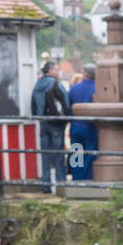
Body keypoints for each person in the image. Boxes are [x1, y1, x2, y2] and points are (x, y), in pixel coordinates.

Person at [31, 60, 69, 192]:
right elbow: (66, 102)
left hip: (43, 123)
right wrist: (67, 118)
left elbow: (33, 105)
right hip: (56, 123)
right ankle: (61, 186)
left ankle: (46, 186)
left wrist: (39, 116)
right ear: (50, 71)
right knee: (58, 155)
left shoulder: (37, 85)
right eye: (56, 70)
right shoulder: (56, 84)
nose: (57, 72)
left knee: (45, 155)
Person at [68, 62, 98, 181]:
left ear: (84, 74)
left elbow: (68, 105)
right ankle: (87, 178)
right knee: (90, 153)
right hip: (91, 126)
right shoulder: (98, 88)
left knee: (76, 152)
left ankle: (77, 177)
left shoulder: (74, 88)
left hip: (75, 126)